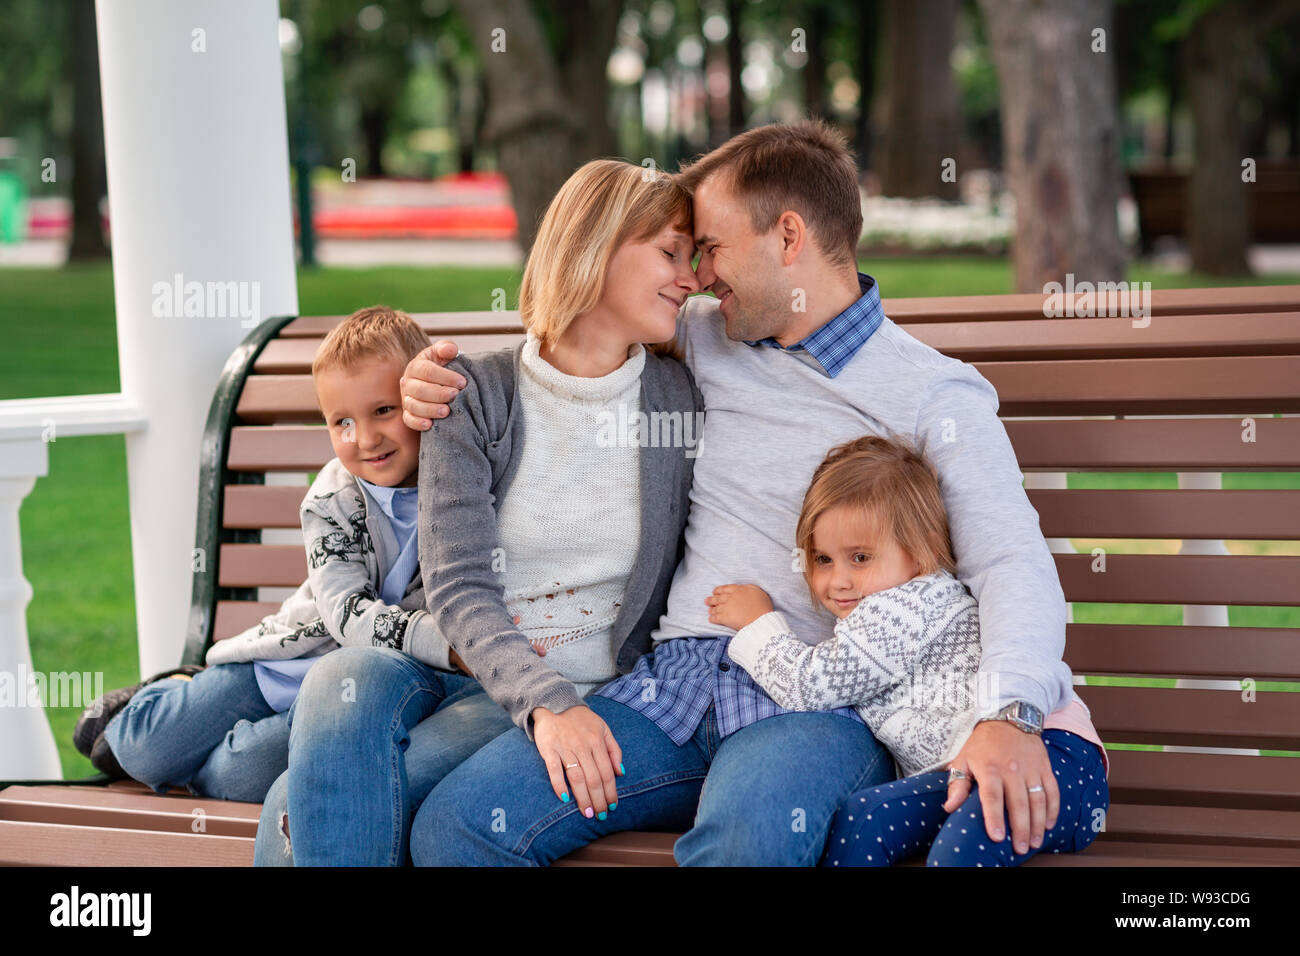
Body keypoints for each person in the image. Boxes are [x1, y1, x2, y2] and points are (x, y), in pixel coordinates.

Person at [402, 119, 1081, 866]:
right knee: (460, 825)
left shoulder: (932, 394)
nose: (699, 275)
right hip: (673, 687)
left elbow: (1010, 563)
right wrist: (433, 382)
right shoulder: (702, 333)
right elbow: (581, 319)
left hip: (815, 701)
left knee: (745, 844)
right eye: (689, 255)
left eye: (713, 248)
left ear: (788, 238)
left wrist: (1010, 715)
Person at [252, 158, 703, 864]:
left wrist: (557, 701)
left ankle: (234, 763)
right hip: (471, 669)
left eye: (694, 258)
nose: (692, 276)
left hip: (586, 685)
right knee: (343, 677)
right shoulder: (474, 396)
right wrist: (538, 696)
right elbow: (459, 584)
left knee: (296, 804)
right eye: (670, 254)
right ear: (594, 246)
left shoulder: (678, 396)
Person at [72, 306, 463, 803]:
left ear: (418, 399)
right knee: (145, 748)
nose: (364, 439)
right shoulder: (332, 499)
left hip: (352, 694)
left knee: (238, 778)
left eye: (383, 410)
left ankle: (196, 756)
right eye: (341, 421)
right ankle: (161, 697)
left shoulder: (457, 487)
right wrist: (441, 642)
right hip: (289, 660)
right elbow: (345, 614)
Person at [710, 435, 1110, 867]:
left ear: (920, 553)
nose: (838, 580)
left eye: (859, 557)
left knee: (961, 847)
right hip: (960, 777)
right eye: (823, 559)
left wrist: (757, 625)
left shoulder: (904, 607)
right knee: (864, 821)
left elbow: (810, 685)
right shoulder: (869, 616)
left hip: (1052, 761)